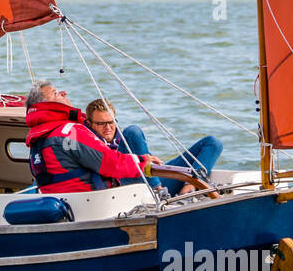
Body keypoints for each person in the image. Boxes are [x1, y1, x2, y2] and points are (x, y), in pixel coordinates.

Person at [84, 98, 222, 197]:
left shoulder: (120, 138)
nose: (108, 128)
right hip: (125, 187)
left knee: (212, 143)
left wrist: (147, 159)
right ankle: (158, 191)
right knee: (133, 131)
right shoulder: (86, 142)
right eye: (101, 124)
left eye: (111, 122)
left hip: (151, 177)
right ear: (90, 124)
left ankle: (189, 189)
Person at [24, 82, 142, 193]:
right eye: (56, 93)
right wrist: (143, 162)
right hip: (98, 200)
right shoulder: (69, 132)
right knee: (133, 132)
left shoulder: (38, 138)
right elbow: (111, 164)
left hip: (66, 200)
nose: (64, 93)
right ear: (46, 105)